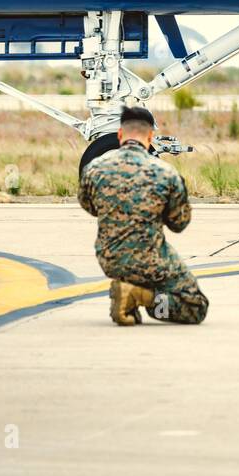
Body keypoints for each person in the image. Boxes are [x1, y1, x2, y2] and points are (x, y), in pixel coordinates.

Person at [78, 106, 208, 326]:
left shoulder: (94, 169)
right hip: (150, 261)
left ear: (119, 135)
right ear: (150, 137)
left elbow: (90, 206)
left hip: (109, 259)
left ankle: (127, 296)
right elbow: (179, 223)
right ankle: (141, 296)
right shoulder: (165, 173)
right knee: (195, 307)